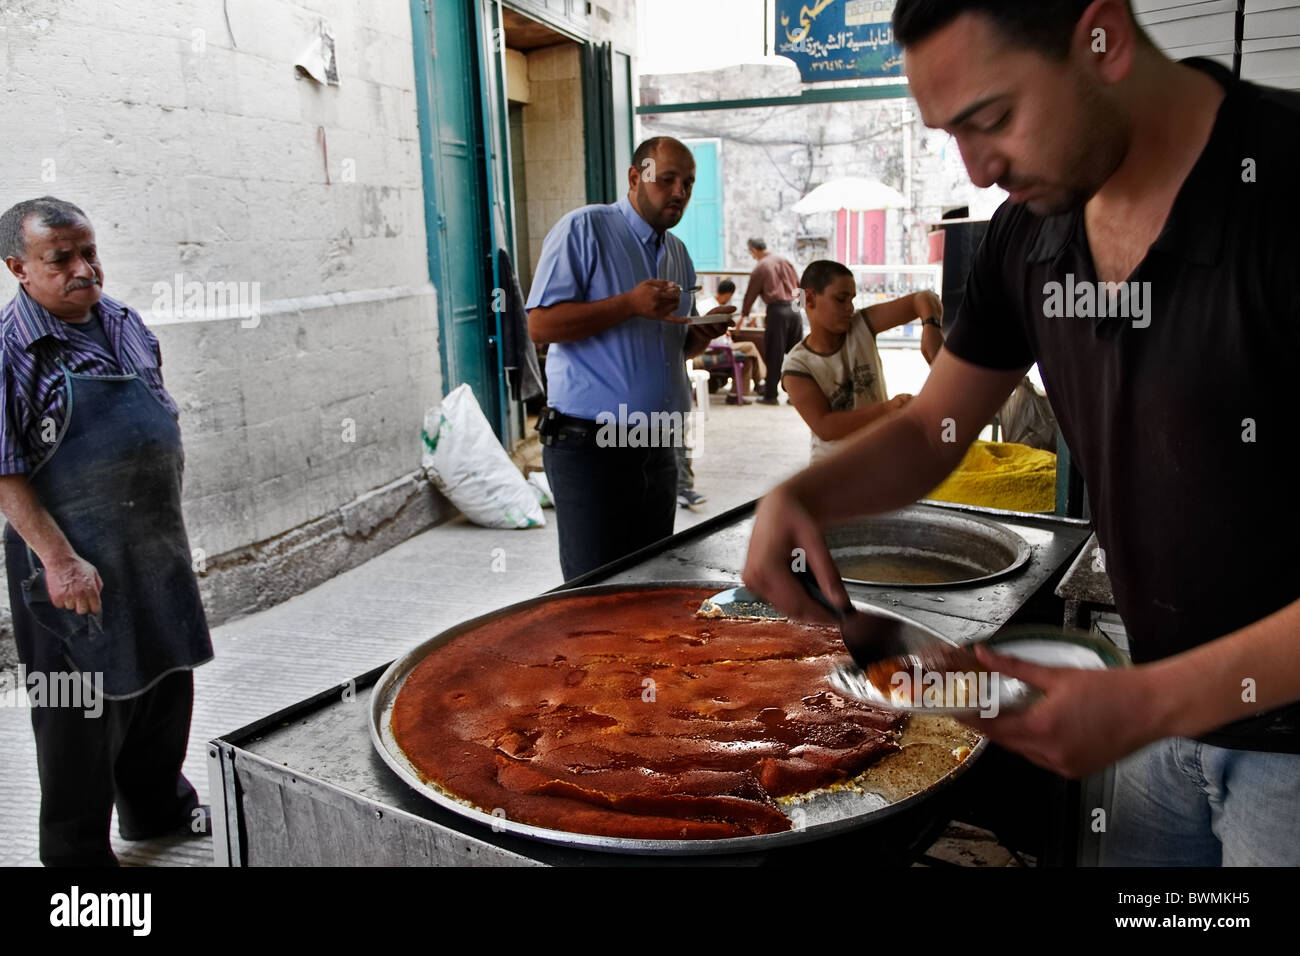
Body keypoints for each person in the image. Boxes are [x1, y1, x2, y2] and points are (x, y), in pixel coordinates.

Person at [742, 0, 1300, 866]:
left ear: (1102, 39)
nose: (980, 166)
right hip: (1149, 716)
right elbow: (936, 428)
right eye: (951, 134)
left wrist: (1150, 703)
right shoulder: (1029, 233)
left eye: (993, 118)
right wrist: (803, 495)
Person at [0, 197, 213, 866]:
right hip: (68, 560)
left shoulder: (121, 320)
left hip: (152, 544)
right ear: (18, 267)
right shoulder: (12, 349)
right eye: (59, 259)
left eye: (88, 252)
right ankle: (76, 858)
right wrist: (59, 561)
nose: (83, 269)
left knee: (163, 680)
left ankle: (156, 809)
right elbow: (4, 474)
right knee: (79, 709)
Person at [527, 138, 733, 579]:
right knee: (596, 590)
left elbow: (676, 349)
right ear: (635, 178)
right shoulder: (584, 229)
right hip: (591, 446)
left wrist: (703, 331)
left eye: (689, 183)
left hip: (658, 443)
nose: (679, 191)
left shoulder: (677, 254)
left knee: (649, 582)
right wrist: (628, 304)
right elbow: (541, 326)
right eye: (668, 178)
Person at [782, 260, 944, 462]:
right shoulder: (797, 365)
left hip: (880, 457)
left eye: (852, 300)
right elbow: (825, 427)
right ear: (810, 299)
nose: (850, 308)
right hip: (833, 471)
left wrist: (931, 325)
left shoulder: (861, 325)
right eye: (841, 299)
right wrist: (887, 410)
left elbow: (924, 298)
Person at [740, 238, 801, 405]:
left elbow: (750, 294)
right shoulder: (784, 260)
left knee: (774, 355)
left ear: (753, 250)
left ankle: (771, 395)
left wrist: (744, 315)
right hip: (795, 310)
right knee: (797, 354)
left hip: (777, 311)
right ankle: (795, 395)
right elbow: (799, 284)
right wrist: (800, 307)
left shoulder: (761, 267)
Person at [694, 279, 766, 402]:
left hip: (707, 346)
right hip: (712, 348)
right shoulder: (715, 309)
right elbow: (717, 339)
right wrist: (727, 337)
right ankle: (761, 381)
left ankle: (736, 395)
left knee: (748, 357)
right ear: (729, 294)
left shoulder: (705, 303)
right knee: (750, 347)